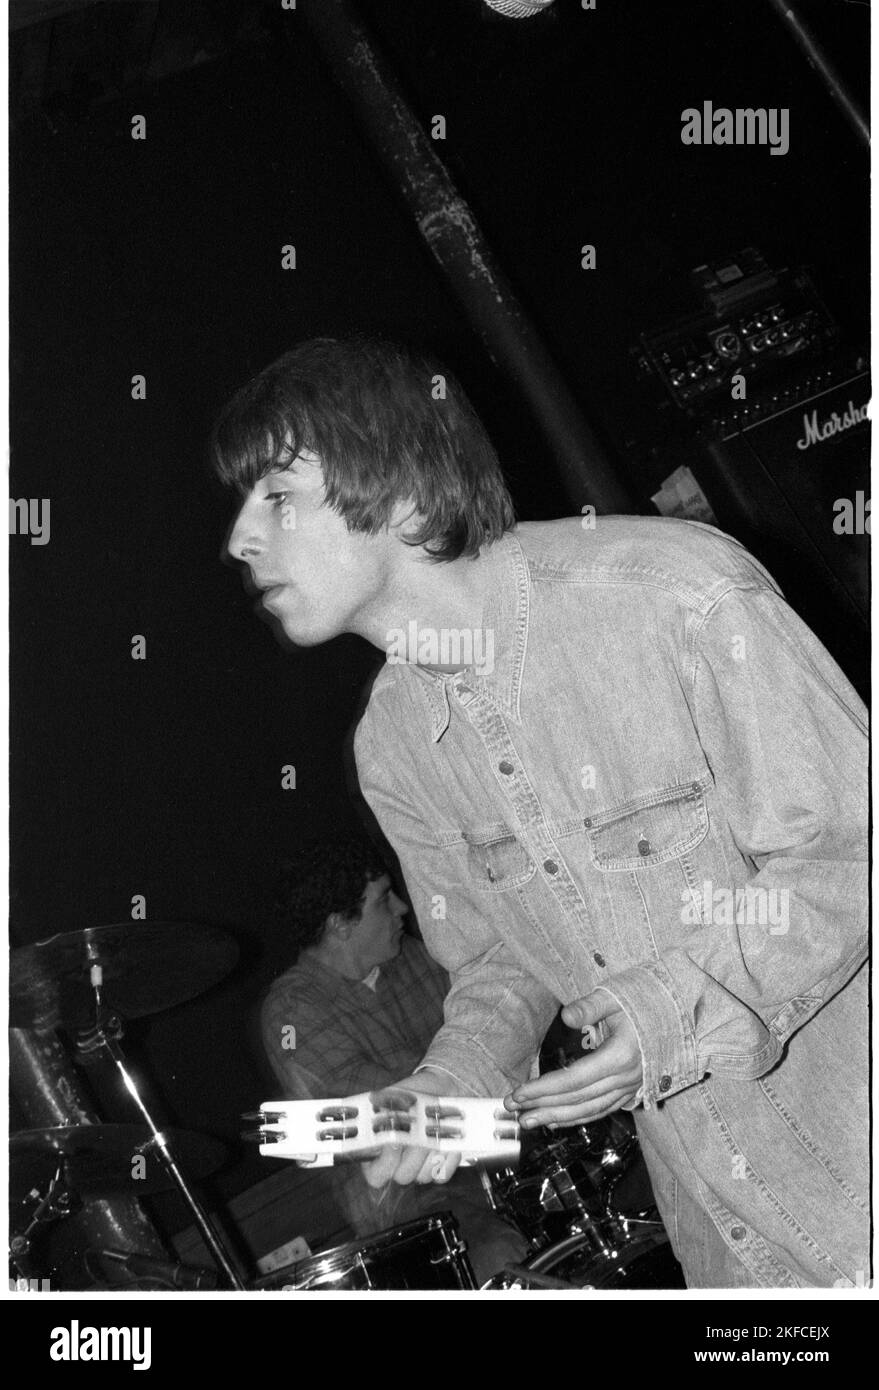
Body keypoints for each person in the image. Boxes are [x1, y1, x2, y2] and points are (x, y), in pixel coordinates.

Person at [215, 336, 868, 1288]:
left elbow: (849, 855)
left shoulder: (674, 595)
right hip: (728, 1240)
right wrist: (453, 1079)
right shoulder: (390, 742)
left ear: (398, 491)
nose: (238, 538)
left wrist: (669, 1009)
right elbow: (496, 960)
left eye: (275, 496)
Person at [259, 833, 528, 1285]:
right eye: (385, 899)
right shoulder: (293, 1009)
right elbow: (388, 1115)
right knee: (500, 1258)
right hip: (414, 1198)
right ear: (339, 924)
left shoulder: (414, 956)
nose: (403, 908)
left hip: (496, 1149)